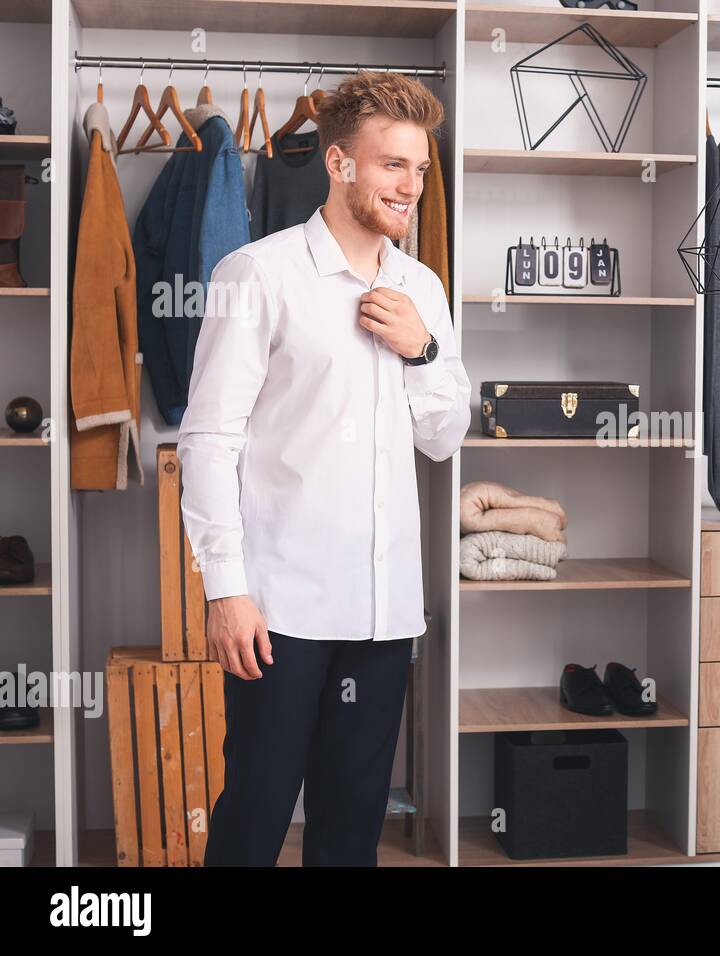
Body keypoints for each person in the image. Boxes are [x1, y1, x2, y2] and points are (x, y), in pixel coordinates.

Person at [176, 71, 471, 866]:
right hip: (280, 613)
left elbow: (445, 435)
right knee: (255, 820)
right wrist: (226, 591)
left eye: (418, 168)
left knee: (350, 832)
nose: (409, 186)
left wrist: (425, 349)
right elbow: (207, 443)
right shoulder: (257, 276)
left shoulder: (422, 289)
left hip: (384, 613)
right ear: (339, 164)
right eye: (390, 165)